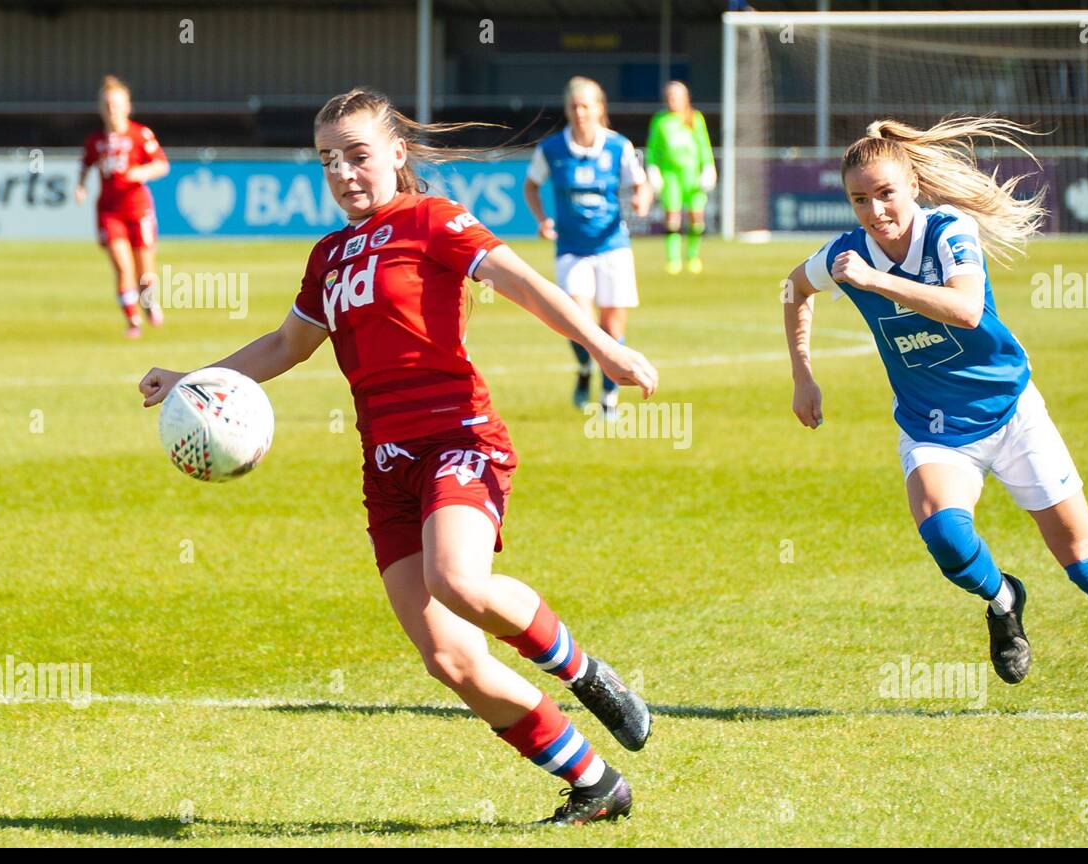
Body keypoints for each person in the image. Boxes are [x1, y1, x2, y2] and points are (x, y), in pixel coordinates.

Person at [139, 87, 660, 824]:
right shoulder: (328, 256)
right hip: (386, 470)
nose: (344, 172)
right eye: (328, 160)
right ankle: (594, 782)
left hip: (458, 439)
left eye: (357, 154)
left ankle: (584, 671)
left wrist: (604, 347)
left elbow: (522, 282)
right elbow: (288, 344)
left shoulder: (433, 219)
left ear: (395, 153)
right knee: (451, 660)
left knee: (457, 578)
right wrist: (192, 380)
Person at [783, 116, 1088, 718]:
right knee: (944, 532)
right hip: (935, 429)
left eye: (885, 194)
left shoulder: (948, 231)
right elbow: (791, 290)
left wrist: (877, 281)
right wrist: (803, 374)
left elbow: (966, 308)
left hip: (1012, 414)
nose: (875, 210)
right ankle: (1004, 597)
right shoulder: (843, 255)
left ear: (913, 188)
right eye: (859, 199)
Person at [523, 76, 652, 417]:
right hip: (571, 249)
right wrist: (542, 219)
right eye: (573, 107)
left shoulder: (618, 147)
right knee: (580, 324)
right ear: (567, 110)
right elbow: (531, 187)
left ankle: (609, 398)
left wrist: (641, 198)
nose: (580, 113)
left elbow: (642, 185)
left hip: (613, 247)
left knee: (613, 328)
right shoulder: (551, 149)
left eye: (586, 106)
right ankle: (584, 370)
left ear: (599, 109)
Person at [76, 75, 170, 339]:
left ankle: (149, 302)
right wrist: (81, 186)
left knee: (145, 272)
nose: (112, 109)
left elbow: (162, 164)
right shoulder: (95, 140)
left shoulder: (140, 134)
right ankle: (132, 321)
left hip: (138, 209)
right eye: (107, 104)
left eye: (116, 104)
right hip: (109, 211)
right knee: (122, 267)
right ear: (100, 108)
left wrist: (141, 173)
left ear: (127, 106)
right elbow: (85, 164)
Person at [644, 80, 716, 275]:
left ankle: (693, 257)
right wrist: (653, 169)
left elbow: (704, 146)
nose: (672, 101)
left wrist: (708, 167)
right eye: (669, 97)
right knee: (672, 216)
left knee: (696, 215)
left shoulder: (695, 118)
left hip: (692, 175)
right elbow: (653, 149)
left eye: (676, 97)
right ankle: (673, 259)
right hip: (671, 176)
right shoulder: (660, 120)